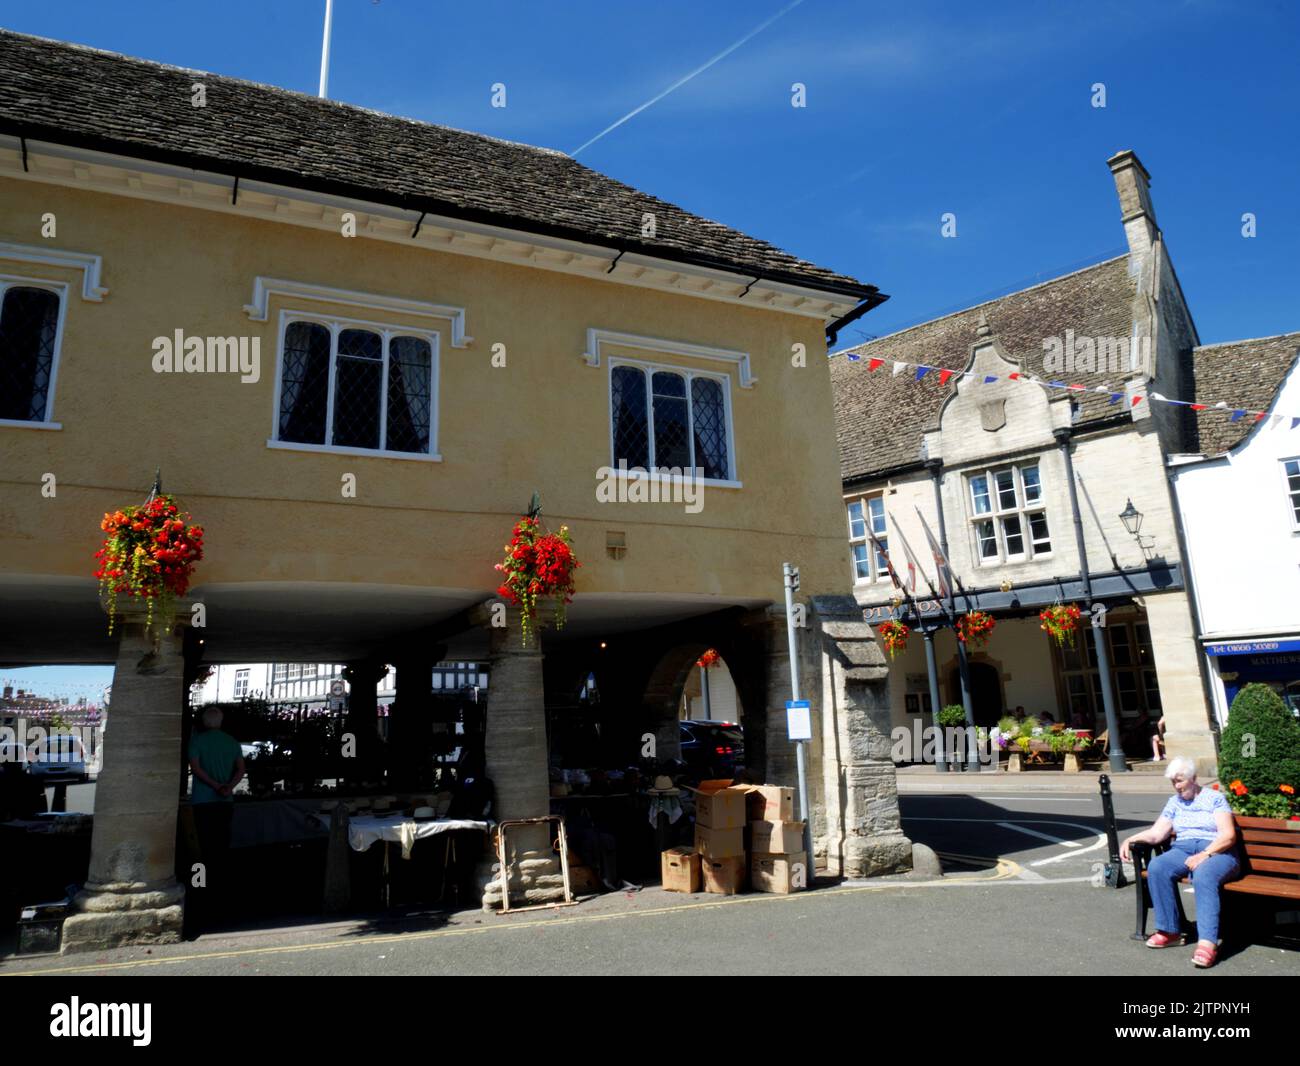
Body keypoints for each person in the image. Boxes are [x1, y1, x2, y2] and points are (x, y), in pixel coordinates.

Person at [1119, 756, 1238, 968]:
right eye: (1173, 781)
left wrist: (1205, 855)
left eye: (1180, 780)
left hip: (1217, 851)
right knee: (1157, 867)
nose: (1177, 786)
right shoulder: (1174, 802)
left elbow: (1228, 835)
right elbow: (1157, 833)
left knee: (1203, 875)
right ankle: (1169, 931)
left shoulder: (1214, 798)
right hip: (1183, 848)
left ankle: (1207, 943)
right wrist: (1131, 838)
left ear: (1193, 778)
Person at [187, 707, 245, 928]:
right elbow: (240, 769)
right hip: (225, 801)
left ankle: (201, 886)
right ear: (221, 721)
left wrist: (213, 785)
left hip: (203, 800)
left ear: (204, 721)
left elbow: (196, 768)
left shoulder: (197, 741)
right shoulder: (231, 742)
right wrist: (228, 786)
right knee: (222, 844)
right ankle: (222, 890)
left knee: (203, 846)